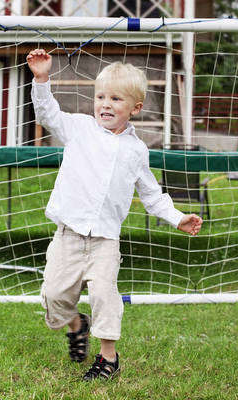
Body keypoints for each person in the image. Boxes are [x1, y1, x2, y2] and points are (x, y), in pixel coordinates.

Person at [27, 48, 203, 381]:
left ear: (135, 108)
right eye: (101, 97)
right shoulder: (79, 129)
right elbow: (48, 114)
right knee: (53, 296)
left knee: (104, 294)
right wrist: (41, 78)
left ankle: (108, 357)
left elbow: (152, 196)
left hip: (105, 239)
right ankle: (77, 326)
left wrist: (178, 217)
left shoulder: (136, 150)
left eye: (116, 99)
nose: (105, 104)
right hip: (68, 234)